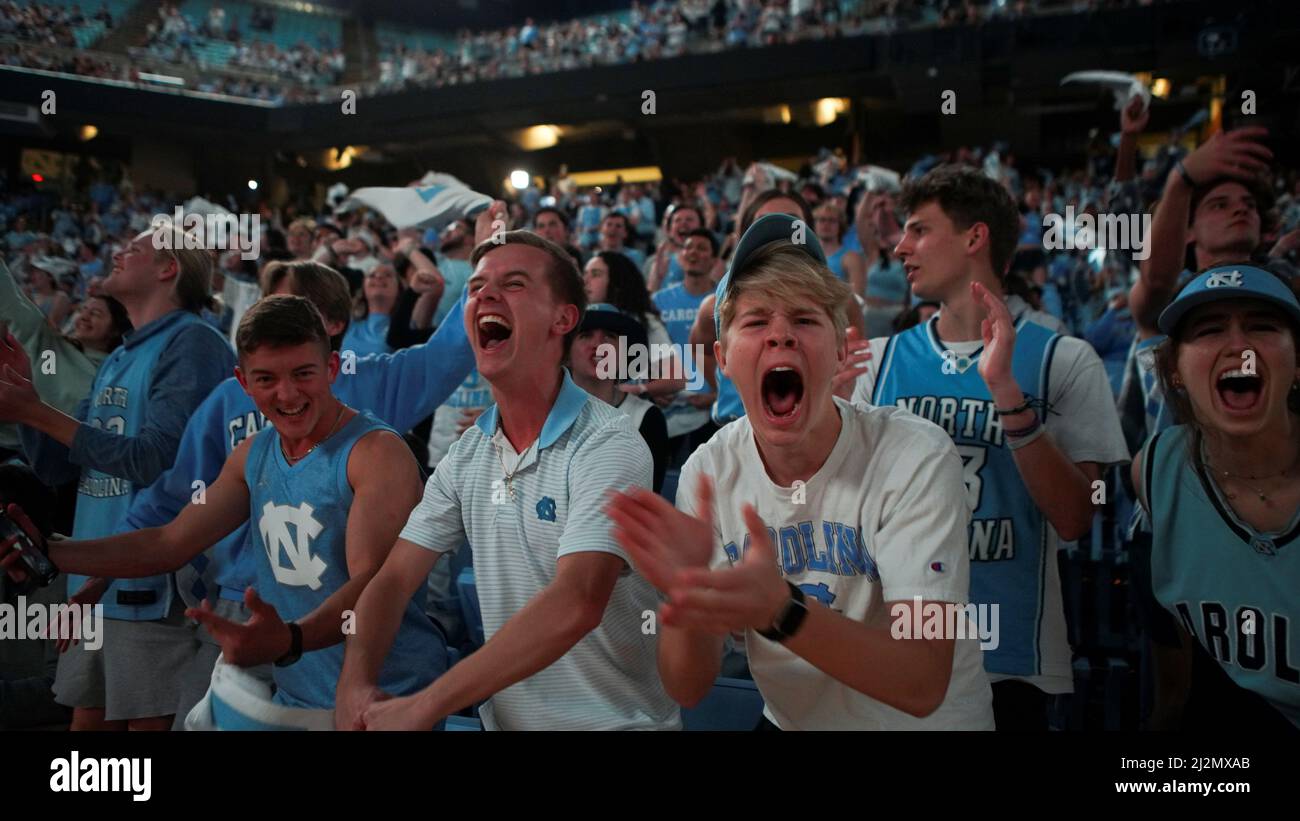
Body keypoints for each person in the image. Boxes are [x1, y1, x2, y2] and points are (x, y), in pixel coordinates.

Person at [605, 213, 994, 729]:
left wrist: (780, 610)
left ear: (840, 351)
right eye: (756, 320)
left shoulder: (915, 454)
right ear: (722, 358)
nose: (781, 336)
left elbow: (922, 679)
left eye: (805, 320)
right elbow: (688, 686)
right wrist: (687, 597)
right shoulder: (709, 470)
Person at [2, 296, 447, 713]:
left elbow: (372, 587)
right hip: (301, 696)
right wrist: (53, 550)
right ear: (242, 382)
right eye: (267, 379)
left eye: (303, 374)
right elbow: (169, 542)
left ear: (332, 368)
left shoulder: (375, 454)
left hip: (389, 698)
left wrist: (290, 640)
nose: (288, 395)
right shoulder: (252, 454)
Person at [335, 231, 678, 731]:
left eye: (513, 284)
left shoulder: (612, 444)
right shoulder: (469, 453)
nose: (485, 296)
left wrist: (428, 703)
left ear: (564, 319)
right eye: (476, 287)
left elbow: (578, 602)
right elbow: (392, 579)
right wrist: (355, 682)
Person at [121, 257, 474, 724]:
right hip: (244, 607)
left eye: (297, 307)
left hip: (344, 642)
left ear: (332, 327)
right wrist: (82, 559)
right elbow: (176, 501)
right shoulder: (231, 402)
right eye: (272, 304)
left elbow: (445, 354)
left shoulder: (374, 388)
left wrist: (481, 263)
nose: (284, 392)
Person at [850, 166, 1128, 730]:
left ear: (975, 238)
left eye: (919, 230)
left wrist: (1008, 396)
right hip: (891, 644)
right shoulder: (876, 361)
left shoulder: (1064, 359)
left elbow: (1078, 514)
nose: (901, 246)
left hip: (1010, 655)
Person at [0, 224, 236, 731]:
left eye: (133, 249)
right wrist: (28, 401)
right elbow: (58, 467)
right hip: (98, 581)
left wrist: (37, 414)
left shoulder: (193, 343)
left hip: (155, 588)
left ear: (168, 268)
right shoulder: (123, 354)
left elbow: (159, 459)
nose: (117, 253)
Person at [1132, 264, 1300, 731]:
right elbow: (1176, 695)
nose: (1238, 346)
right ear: (1175, 371)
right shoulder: (1156, 469)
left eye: (1262, 326)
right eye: (1209, 330)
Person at [569, 302, 670, 492]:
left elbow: (649, 498)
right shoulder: (543, 413)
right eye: (585, 335)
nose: (598, 345)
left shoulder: (647, 417)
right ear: (566, 353)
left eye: (609, 337)